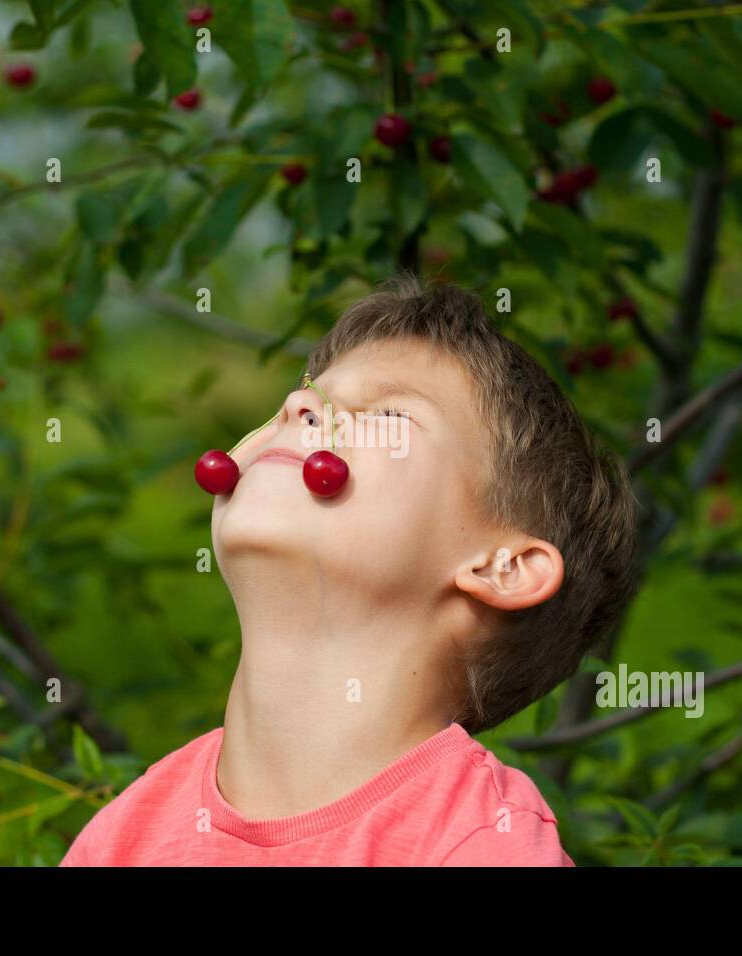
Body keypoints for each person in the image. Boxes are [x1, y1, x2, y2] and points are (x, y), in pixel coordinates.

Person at [60, 274, 638, 866]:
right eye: (310, 397)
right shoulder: (122, 839)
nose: (297, 405)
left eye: (388, 413)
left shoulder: (479, 844)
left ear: (504, 567)